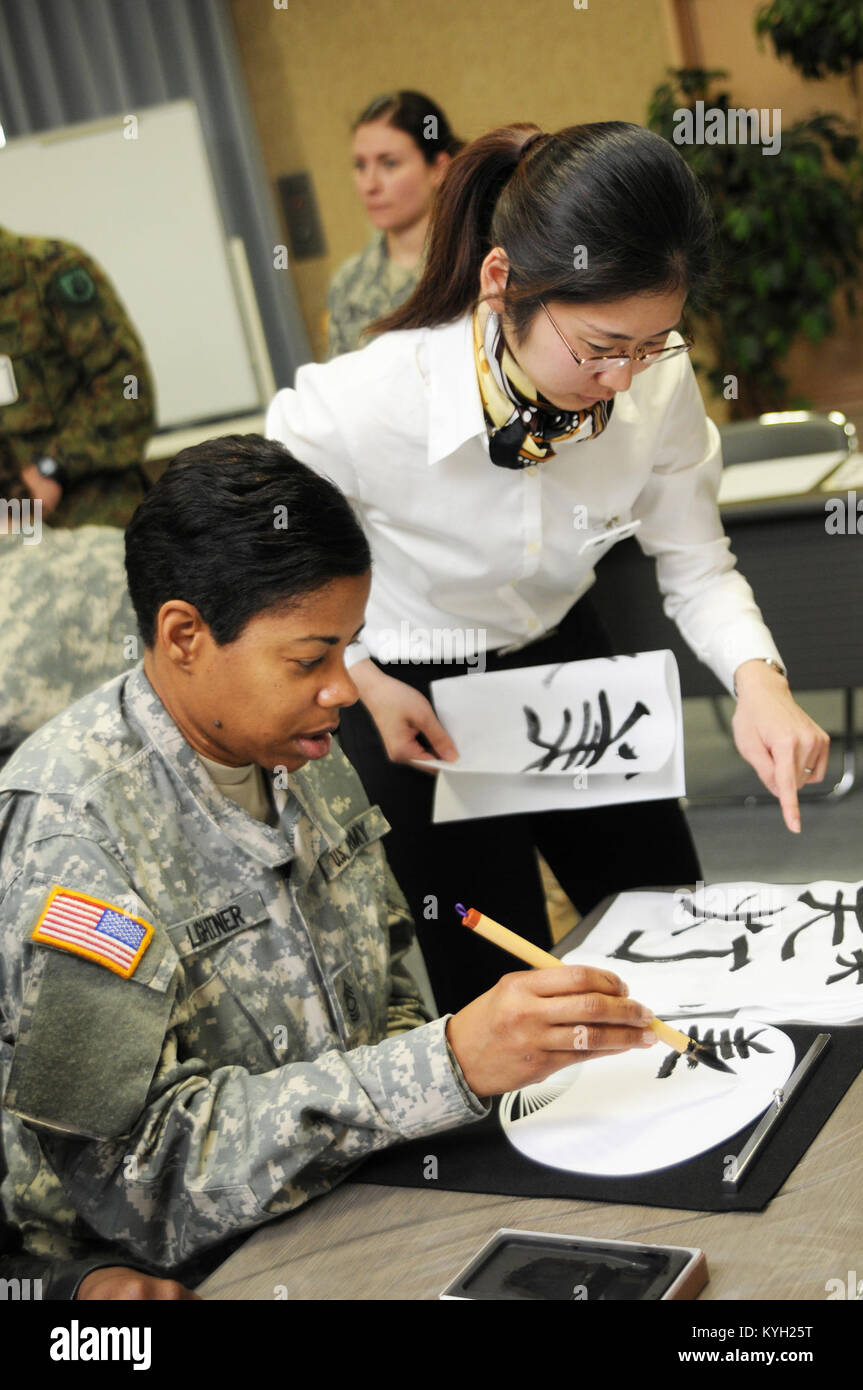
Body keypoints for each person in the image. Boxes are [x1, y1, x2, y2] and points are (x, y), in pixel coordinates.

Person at [0, 435, 654, 1283]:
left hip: (357, 1194)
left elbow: (382, 982)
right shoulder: (70, 831)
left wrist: (434, 1077)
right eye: (311, 658)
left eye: (350, 647)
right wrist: (444, 1064)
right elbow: (139, 1181)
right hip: (170, 1270)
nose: (344, 687)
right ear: (184, 635)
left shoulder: (294, 740)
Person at [266, 121, 830, 1014]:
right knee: (498, 983)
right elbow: (281, 548)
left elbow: (693, 560)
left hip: (563, 663)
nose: (621, 379)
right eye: (600, 346)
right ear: (502, 283)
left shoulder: (655, 378)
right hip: (416, 696)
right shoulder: (365, 403)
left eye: (650, 346)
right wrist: (362, 673)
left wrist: (758, 681)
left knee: (667, 928)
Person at [0, 224, 155, 528]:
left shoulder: (51, 270)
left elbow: (128, 388)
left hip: (94, 520)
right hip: (12, 540)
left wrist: (51, 467)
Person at [327, 91, 461, 358]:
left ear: (438, 169)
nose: (369, 185)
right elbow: (340, 389)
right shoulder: (348, 284)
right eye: (360, 166)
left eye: (389, 163)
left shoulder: (477, 260)